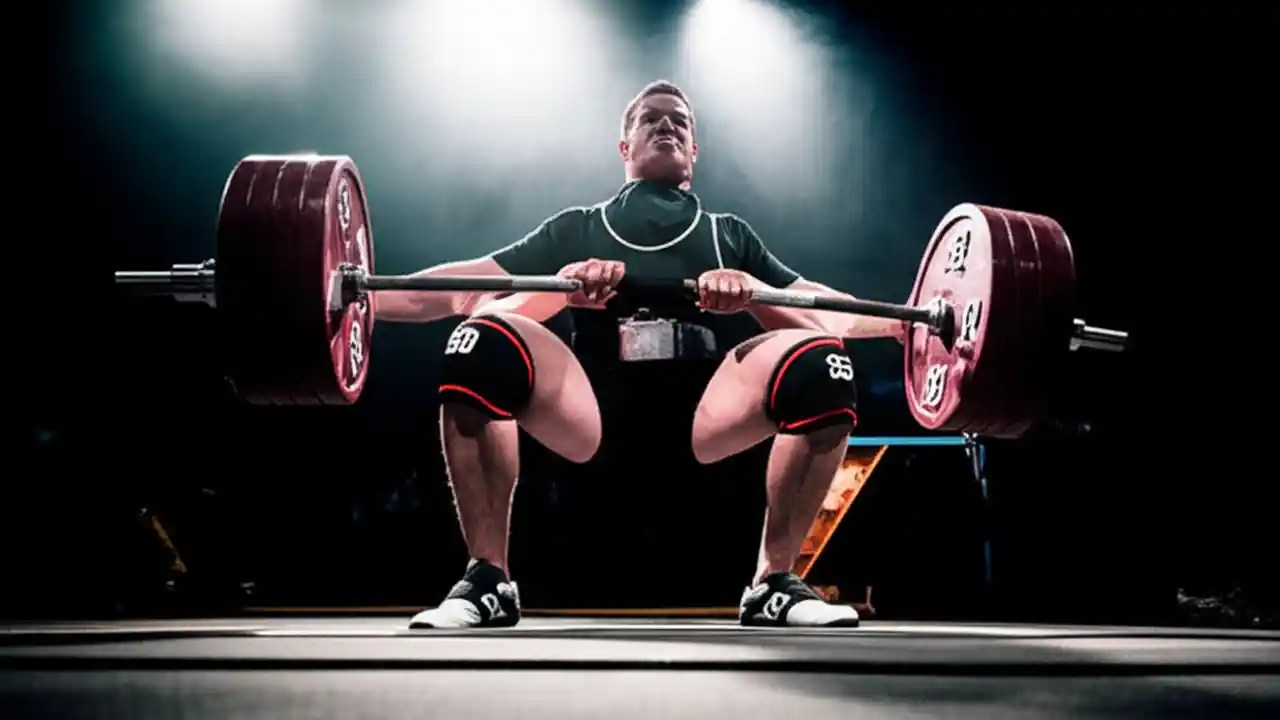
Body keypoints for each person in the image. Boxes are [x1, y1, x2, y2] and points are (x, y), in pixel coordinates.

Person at [374, 80, 906, 628]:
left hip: (704, 417)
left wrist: (896, 321)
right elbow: (461, 293)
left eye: (680, 120)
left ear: (694, 150)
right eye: (650, 118)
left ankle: (773, 583)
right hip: (590, 413)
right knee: (478, 339)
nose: (666, 124)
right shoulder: (578, 229)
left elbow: (827, 314)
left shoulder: (726, 236)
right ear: (624, 146)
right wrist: (355, 298)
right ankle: (488, 579)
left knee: (822, 362)